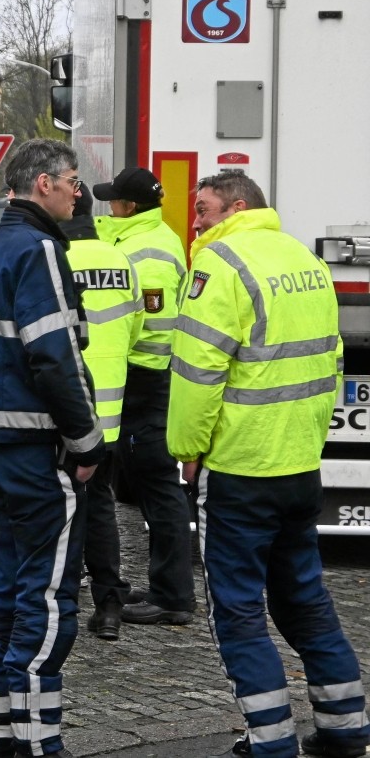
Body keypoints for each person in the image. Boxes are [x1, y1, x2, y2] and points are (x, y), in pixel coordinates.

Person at [170, 171, 368, 758]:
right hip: (299, 466)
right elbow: (331, 361)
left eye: (204, 209)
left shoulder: (220, 266)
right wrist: (308, 439)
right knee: (305, 600)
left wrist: (187, 451)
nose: (196, 222)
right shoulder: (307, 261)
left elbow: (197, 373)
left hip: (239, 467)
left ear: (237, 207)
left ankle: (272, 744)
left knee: (237, 613)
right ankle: (345, 731)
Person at [0, 138, 105, 758]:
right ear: (44, 183)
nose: (78, 192)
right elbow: (54, 358)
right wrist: (88, 443)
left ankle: (1, 737)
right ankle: (39, 744)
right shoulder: (40, 250)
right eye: (72, 180)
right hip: (39, 448)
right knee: (46, 600)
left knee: (5, 592)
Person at [95, 166, 196, 627]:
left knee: (158, 483)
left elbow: (150, 324)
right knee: (147, 484)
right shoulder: (142, 237)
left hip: (146, 378)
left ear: (130, 206)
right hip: (143, 377)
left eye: (114, 200)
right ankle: (164, 587)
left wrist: (120, 353)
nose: (109, 206)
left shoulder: (149, 250)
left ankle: (173, 596)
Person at [59, 183, 144, 642]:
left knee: (63, 507)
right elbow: (135, 330)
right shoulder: (121, 260)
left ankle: (63, 600)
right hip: (109, 412)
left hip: (67, 409)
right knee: (101, 506)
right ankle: (109, 605)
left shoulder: (56, 260)